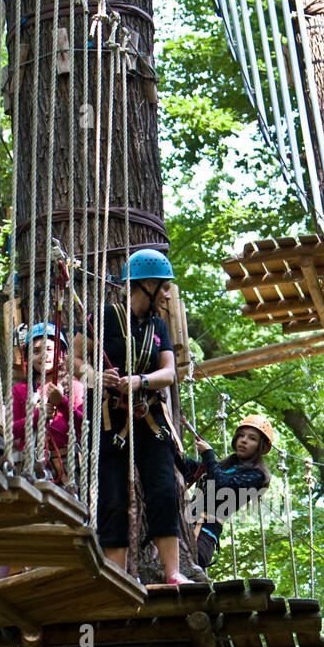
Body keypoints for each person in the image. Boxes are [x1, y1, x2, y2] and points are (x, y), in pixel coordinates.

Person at [92, 249, 188, 584]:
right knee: (113, 496)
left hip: (148, 415)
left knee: (163, 489)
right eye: (163, 287)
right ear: (146, 284)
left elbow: (169, 373)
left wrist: (140, 381)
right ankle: (116, 576)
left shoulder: (159, 325)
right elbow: (74, 360)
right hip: (111, 418)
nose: (166, 294)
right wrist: (94, 376)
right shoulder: (104, 318)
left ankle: (173, 572)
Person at [178, 414, 272, 571]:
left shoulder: (256, 476)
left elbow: (222, 485)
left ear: (260, 446)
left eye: (252, 438)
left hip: (202, 536)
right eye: (241, 436)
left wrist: (208, 455)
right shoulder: (222, 466)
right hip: (182, 528)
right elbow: (190, 468)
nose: (243, 440)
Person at [12, 321, 84, 483]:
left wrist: (63, 403)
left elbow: (83, 426)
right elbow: (12, 431)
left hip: (67, 461)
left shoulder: (75, 387)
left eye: (49, 349)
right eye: (36, 351)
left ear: (61, 353)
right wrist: (38, 415)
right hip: (30, 462)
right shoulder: (20, 390)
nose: (44, 354)